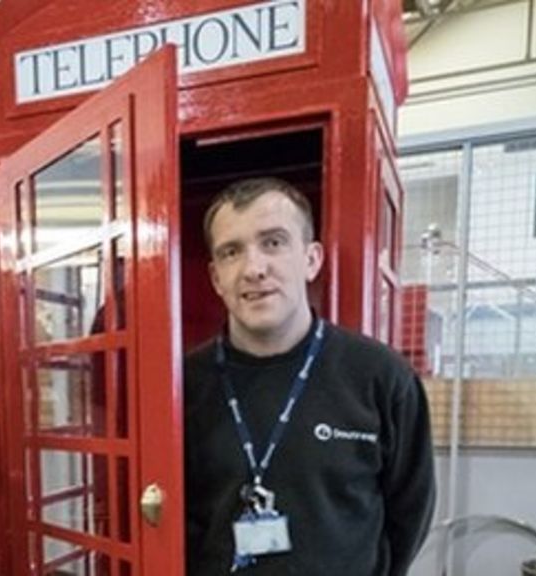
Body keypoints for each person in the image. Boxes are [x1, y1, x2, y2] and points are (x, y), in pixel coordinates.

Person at [184, 177, 435, 575]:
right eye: (232, 252)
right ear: (216, 278)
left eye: (273, 243)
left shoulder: (382, 377)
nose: (254, 269)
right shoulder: (183, 385)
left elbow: (410, 513)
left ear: (311, 259)